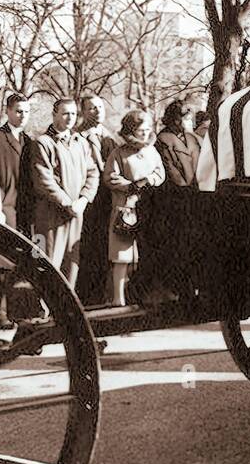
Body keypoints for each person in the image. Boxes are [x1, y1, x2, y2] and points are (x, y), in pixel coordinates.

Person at [29, 97, 100, 288]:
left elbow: (93, 173)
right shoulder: (42, 143)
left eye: (74, 114)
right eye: (65, 113)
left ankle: (66, 310)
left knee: (72, 262)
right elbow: (44, 180)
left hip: (76, 212)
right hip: (51, 215)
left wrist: (83, 200)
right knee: (49, 262)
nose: (70, 118)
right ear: (54, 114)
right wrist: (67, 203)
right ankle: (43, 311)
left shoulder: (80, 142)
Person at [105, 110, 165, 307]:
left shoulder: (152, 151)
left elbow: (160, 173)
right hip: (125, 208)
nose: (145, 134)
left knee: (147, 253)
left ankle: (143, 294)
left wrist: (149, 181)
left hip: (149, 208)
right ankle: (118, 298)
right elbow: (110, 178)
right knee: (122, 255)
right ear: (131, 130)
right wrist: (131, 186)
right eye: (141, 130)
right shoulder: (119, 153)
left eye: (148, 130)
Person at [76, 94, 117, 304]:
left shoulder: (110, 139)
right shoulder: (77, 138)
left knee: (103, 248)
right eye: (92, 108)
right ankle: (82, 297)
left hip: (107, 202)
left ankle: (100, 297)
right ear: (83, 112)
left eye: (100, 106)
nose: (98, 111)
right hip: (84, 201)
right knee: (84, 249)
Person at [0, 93, 33, 232]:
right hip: (4, 205)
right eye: (19, 111)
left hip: (25, 207)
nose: (23, 116)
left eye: (27, 112)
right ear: (7, 111)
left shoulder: (29, 141)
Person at [156, 100, 201, 187]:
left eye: (191, 119)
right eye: (187, 119)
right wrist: (184, 189)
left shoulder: (190, 138)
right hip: (176, 191)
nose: (191, 123)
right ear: (176, 120)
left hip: (195, 189)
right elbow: (171, 169)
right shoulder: (163, 139)